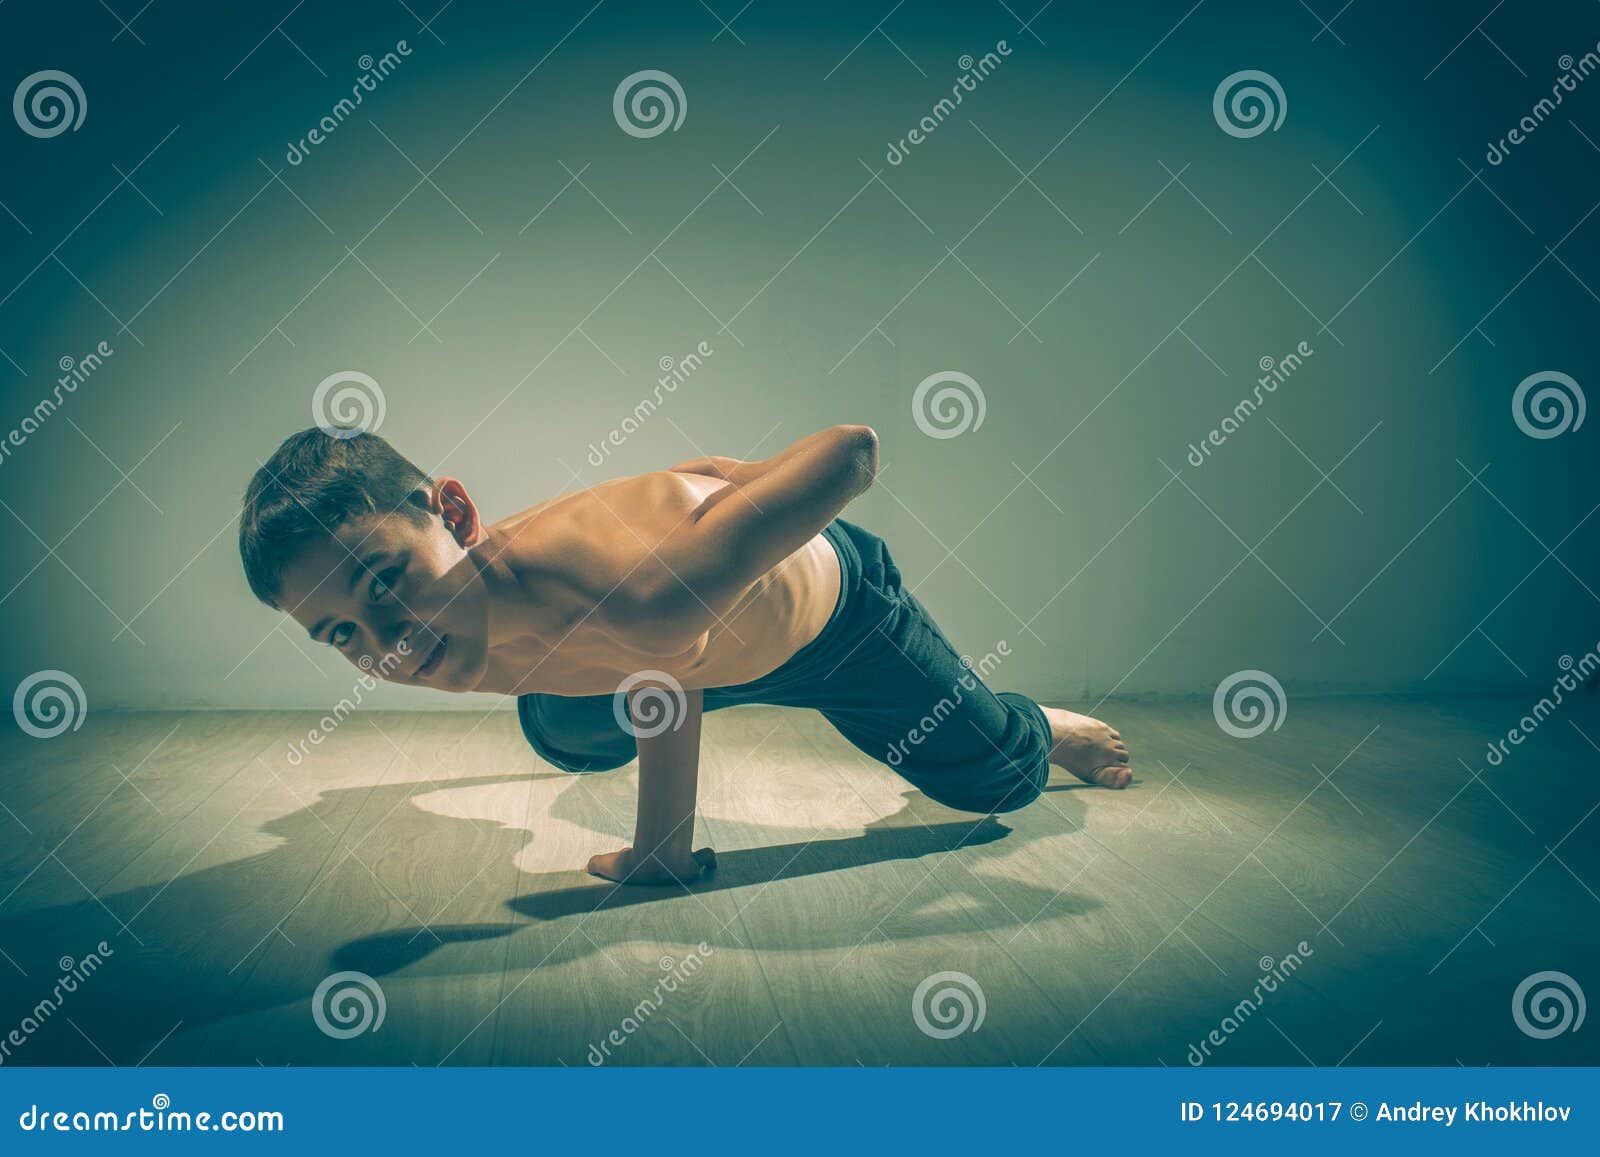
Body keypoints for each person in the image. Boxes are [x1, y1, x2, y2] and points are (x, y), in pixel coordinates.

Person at [237, 424, 1132, 885]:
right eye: (341, 633)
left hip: (838, 625)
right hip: (694, 643)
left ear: (457, 516)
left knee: (997, 788)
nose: (387, 645)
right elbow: (660, 676)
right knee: (563, 729)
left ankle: (1038, 725)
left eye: (385, 583)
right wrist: (658, 851)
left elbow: (854, 450)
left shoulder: (645, 597)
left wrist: (738, 486)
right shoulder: (458, 622)